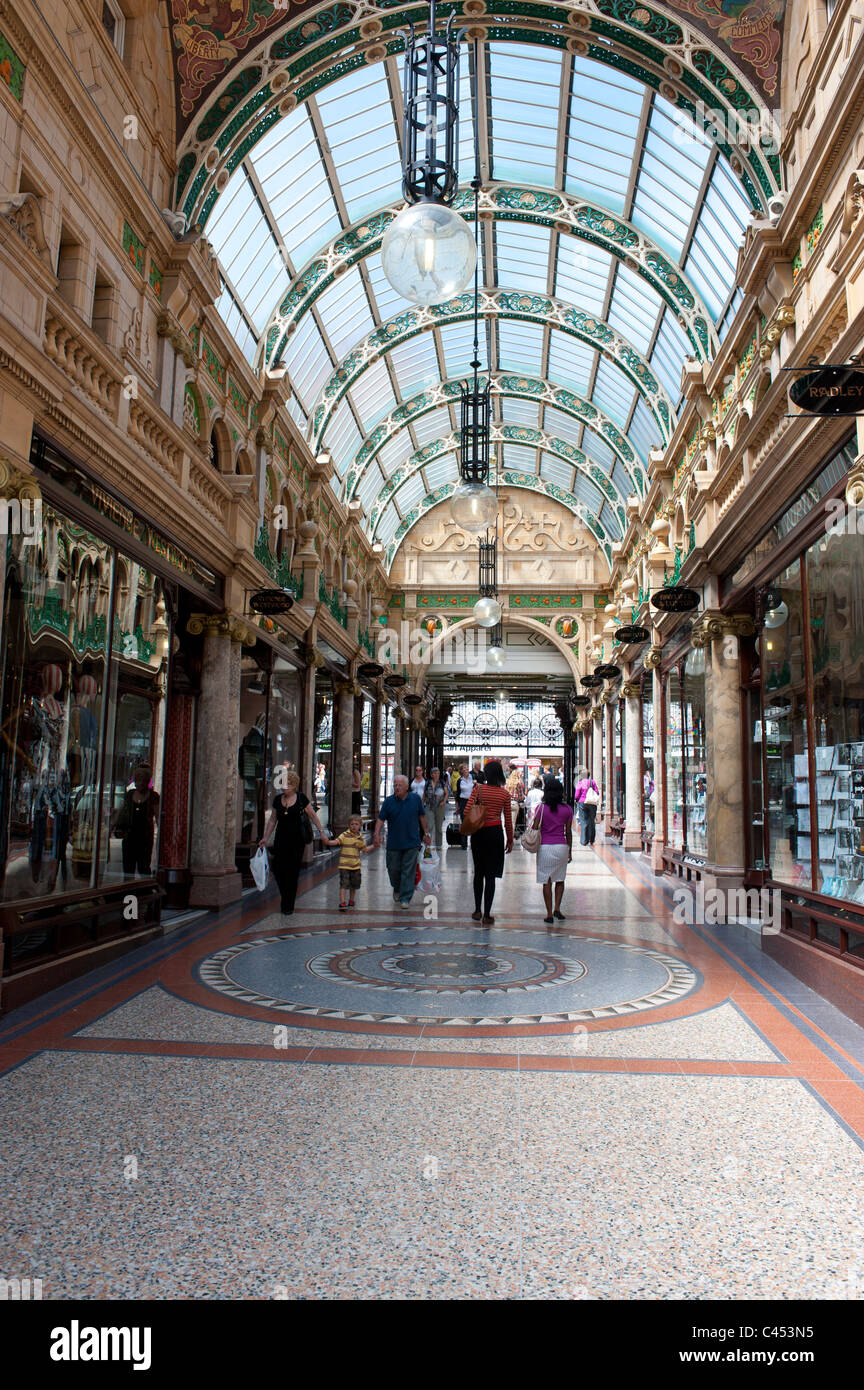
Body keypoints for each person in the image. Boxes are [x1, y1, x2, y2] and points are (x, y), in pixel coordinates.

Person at [260, 768, 325, 915]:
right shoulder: (278, 800)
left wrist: (321, 832)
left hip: (297, 841)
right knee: (277, 869)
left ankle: (288, 904)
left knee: (292, 872)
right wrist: (265, 837)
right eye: (283, 783)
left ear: (294, 786)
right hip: (280, 839)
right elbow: (272, 820)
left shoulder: (301, 798)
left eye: (288, 784)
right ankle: (285, 895)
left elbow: (313, 816)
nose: (284, 787)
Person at [464, 759, 513, 925]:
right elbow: (508, 820)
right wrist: (511, 839)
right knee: (491, 875)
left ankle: (477, 910)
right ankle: (487, 915)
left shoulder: (478, 790)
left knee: (478, 872)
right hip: (495, 834)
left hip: (479, 833)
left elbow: (466, 810)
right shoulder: (504, 794)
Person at [373, 774, 431, 909]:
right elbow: (381, 819)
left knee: (408, 871)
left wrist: (426, 833)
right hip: (394, 842)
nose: (397, 787)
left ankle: (405, 897)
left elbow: (422, 816)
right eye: (395, 785)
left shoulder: (415, 799)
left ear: (406, 787)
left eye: (399, 785)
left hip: (412, 842)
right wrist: (376, 834)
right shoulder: (388, 801)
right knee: (393, 869)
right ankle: (397, 888)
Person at [530, 775, 574, 924]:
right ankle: (557, 908)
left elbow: (535, 827)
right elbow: (568, 832)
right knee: (560, 879)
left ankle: (548, 913)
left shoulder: (541, 808)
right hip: (561, 847)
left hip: (545, 848)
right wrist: (570, 851)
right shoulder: (568, 809)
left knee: (546, 881)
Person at [321, 813, 375, 911]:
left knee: (354, 884)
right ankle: (342, 902)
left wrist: (374, 846)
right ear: (349, 825)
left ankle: (351, 900)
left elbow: (364, 849)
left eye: (356, 824)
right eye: (352, 824)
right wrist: (328, 842)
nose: (354, 826)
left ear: (360, 826)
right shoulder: (344, 835)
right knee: (344, 884)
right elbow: (337, 841)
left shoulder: (360, 838)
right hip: (344, 865)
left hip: (356, 866)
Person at [114, 763, 160, 877]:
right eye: (138, 780)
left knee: (143, 867)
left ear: (147, 781)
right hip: (129, 837)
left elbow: (158, 816)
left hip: (144, 838)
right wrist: (113, 825)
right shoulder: (130, 794)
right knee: (128, 869)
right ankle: (128, 893)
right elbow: (121, 811)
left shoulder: (153, 796)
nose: (140, 783)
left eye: (143, 780)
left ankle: (144, 892)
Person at [574, 765, 600, 846]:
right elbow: (597, 792)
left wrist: (577, 799)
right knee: (591, 821)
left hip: (582, 803)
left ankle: (584, 841)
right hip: (592, 803)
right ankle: (592, 839)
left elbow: (577, 794)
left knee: (584, 821)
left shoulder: (580, 783)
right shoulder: (592, 782)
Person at [423, 767, 448, 850]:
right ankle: (428, 844)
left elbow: (446, 793)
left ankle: (439, 845)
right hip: (429, 806)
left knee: (439, 827)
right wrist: (421, 805)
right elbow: (424, 794)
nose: (437, 775)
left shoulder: (442, 782)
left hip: (439, 807)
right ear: (431, 774)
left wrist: (444, 801)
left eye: (438, 773)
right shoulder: (427, 783)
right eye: (435, 773)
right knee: (429, 826)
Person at [454, 762, 474, 849]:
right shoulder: (460, 781)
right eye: (464, 769)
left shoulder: (473, 778)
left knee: (473, 822)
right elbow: (458, 794)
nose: (466, 770)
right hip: (463, 802)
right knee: (464, 822)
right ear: (461, 771)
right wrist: (457, 806)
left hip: (472, 801)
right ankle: (464, 844)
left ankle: (474, 843)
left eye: (467, 768)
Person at [505, 764, 525, 836]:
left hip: (507, 803)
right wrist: (522, 798)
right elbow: (521, 796)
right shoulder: (518, 783)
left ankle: (506, 836)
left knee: (507, 822)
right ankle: (510, 839)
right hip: (514, 803)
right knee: (513, 823)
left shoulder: (507, 782)